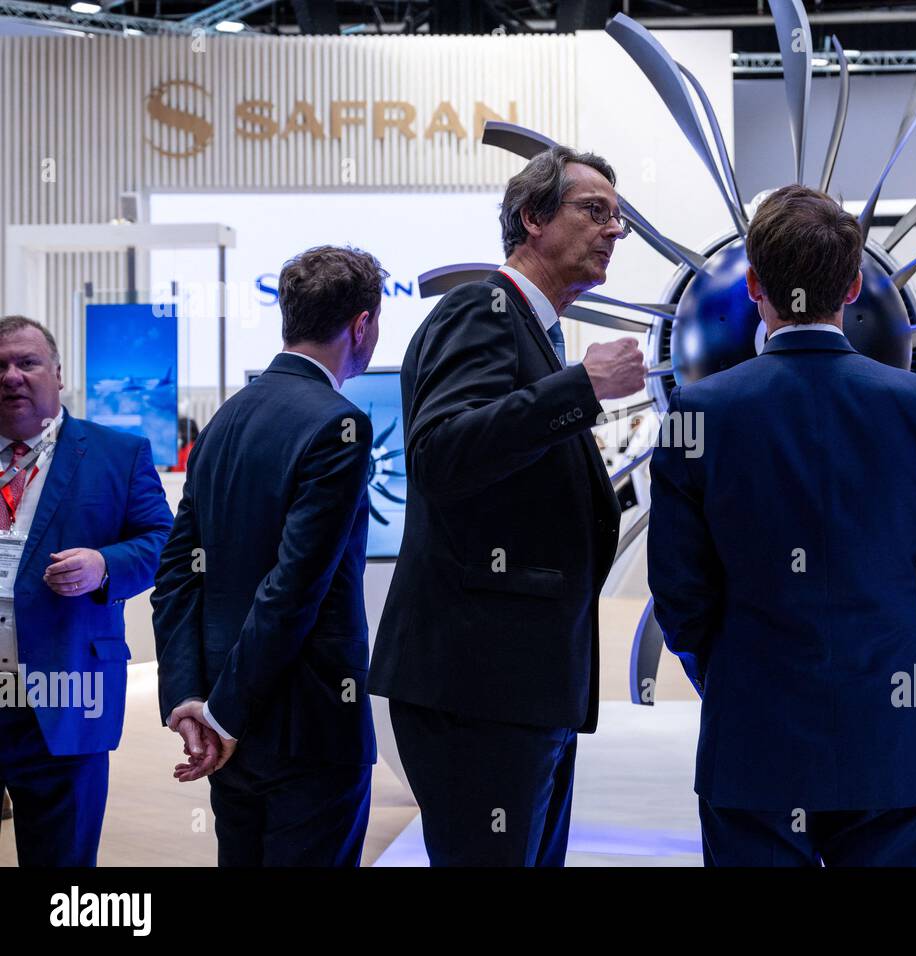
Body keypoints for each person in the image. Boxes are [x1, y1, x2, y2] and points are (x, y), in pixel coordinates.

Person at [648, 185, 916, 867]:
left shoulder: (697, 411)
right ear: (855, 284)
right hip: (894, 735)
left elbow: (679, 594)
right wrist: (909, 663)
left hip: (753, 735)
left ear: (752, 285)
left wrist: (733, 676)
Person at [369, 145, 646, 866]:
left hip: (513, 689)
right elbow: (443, 454)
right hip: (480, 691)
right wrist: (580, 389)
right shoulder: (481, 310)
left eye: (619, 219)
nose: (613, 230)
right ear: (532, 218)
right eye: (595, 212)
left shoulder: (530, 332)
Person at [152, 246, 384, 866]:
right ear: (361, 325)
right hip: (306, 728)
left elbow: (176, 575)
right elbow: (293, 588)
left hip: (232, 729)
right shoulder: (340, 424)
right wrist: (222, 714)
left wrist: (190, 701)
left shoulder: (223, 421)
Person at [0, 315, 172, 866]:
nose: (11, 376)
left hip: (66, 690)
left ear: (57, 373)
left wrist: (104, 565)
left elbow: (163, 541)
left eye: (26, 363)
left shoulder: (117, 455)